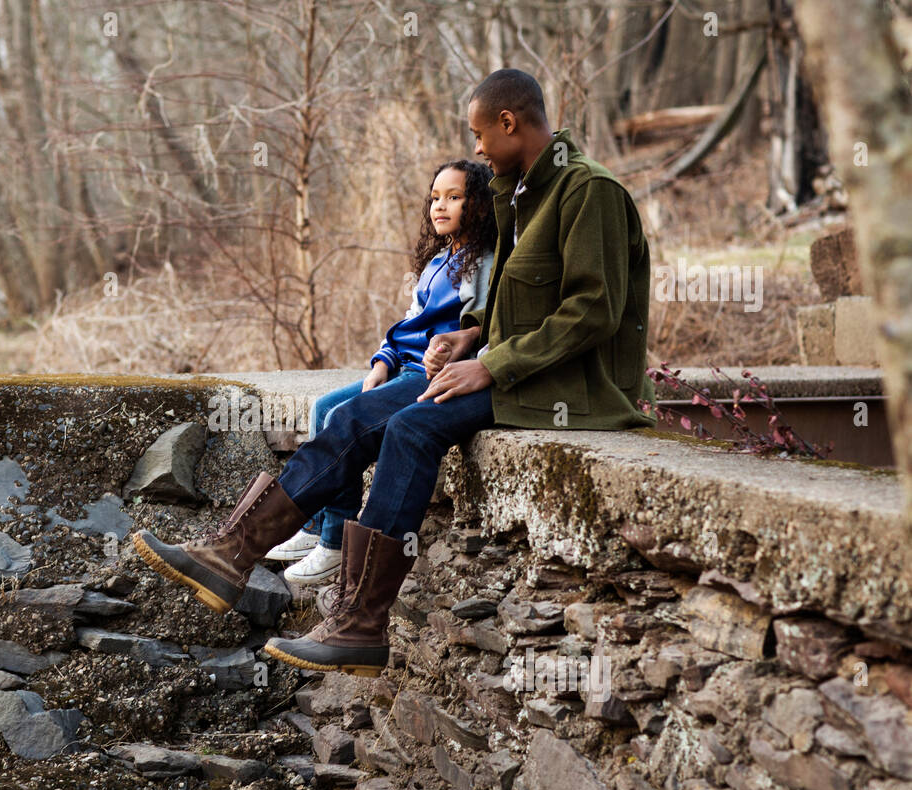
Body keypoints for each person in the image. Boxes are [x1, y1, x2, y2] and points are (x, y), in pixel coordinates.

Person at [134, 68, 656, 677]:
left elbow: (593, 310)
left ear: (509, 122)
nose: (478, 148)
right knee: (354, 413)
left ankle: (359, 624)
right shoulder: (523, 192)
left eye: (480, 134)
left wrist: (491, 365)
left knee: (411, 429)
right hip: (520, 369)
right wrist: (473, 331)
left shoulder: (587, 191)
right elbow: (519, 298)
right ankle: (232, 553)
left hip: (571, 388)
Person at [265, 159, 497, 588]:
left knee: (342, 419)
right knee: (325, 407)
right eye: (435, 198)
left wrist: (449, 355)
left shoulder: (483, 265)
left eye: (454, 197)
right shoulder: (436, 263)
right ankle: (316, 528)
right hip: (399, 369)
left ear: (480, 203)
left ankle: (334, 543)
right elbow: (407, 323)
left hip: (427, 375)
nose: (440, 206)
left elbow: (481, 330)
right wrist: (381, 363)